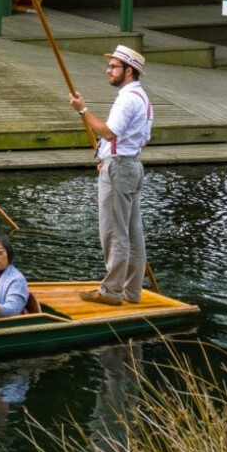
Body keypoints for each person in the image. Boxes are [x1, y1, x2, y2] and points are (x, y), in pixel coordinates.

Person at [68, 45, 155, 306]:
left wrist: (82, 110)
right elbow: (139, 139)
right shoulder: (143, 98)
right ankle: (131, 291)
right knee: (132, 232)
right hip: (131, 166)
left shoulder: (127, 99)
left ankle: (111, 291)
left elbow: (109, 132)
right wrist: (108, 157)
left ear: (129, 71)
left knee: (114, 232)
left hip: (120, 170)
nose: (108, 70)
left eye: (113, 66)